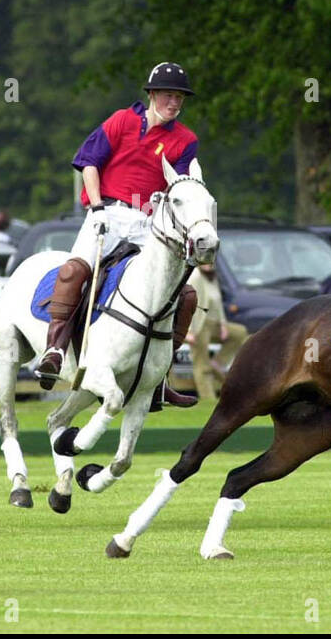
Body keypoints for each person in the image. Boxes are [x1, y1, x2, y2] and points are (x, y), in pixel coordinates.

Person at [35, 62, 201, 409]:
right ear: (152, 95)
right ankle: (55, 350)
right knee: (75, 272)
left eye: (180, 97)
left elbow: (182, 187)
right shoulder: (122, 121)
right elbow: (89, 162)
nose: (175, 102)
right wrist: (96, 209)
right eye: (169, 95)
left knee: (182, 296)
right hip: (107, 212)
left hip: (148, 222)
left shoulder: (186, 141)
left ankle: (159, 377)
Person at [185, 262, 249, 400]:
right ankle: (208, 400)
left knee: (239, 332)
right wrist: (189, 331)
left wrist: (223, 324)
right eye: (205, 261)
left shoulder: (212, 277)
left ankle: (217, 363)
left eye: (211, 260)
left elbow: (218, 303)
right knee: (202, 365)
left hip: (212, 323)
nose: (208, 264)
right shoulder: (195, 277)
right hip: (198, 324)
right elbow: (189, 304)